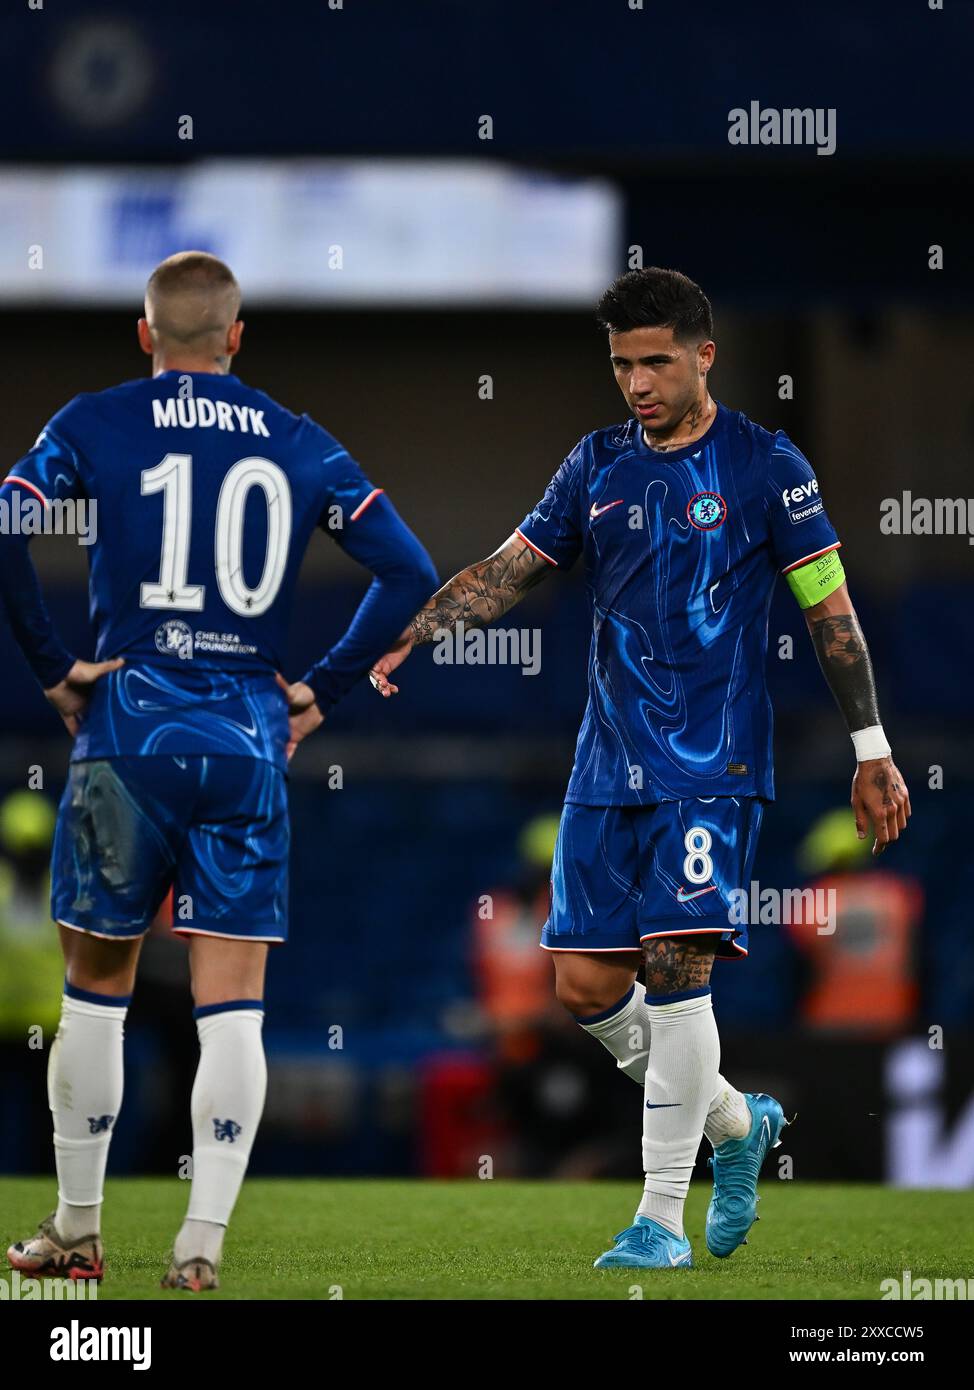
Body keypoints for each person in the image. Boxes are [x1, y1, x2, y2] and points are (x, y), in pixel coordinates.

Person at [369, 266, 911, 1270]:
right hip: (602, 765)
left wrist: (870, 750)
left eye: (655, 361)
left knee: (675, 973)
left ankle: (658, 1218)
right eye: (620, 364)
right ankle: (735, 1122)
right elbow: (507, 569)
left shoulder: (765, 464)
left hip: (710, 763)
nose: (636, 383)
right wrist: (416, 631)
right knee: (579, 985)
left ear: (703, 354)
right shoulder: (594, 466)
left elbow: (826, 610)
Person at [0, 251, 437, 1290]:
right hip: (246, 737)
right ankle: (200, 1243)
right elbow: (409, 572)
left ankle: (77, 1229)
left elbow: (6, 522)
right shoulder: (298, 441)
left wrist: (56, 669)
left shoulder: (94, 421)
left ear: (143, 334)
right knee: (231, 1007)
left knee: (95, 996)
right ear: (237, 338)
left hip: (128, 732)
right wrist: (319, 692)